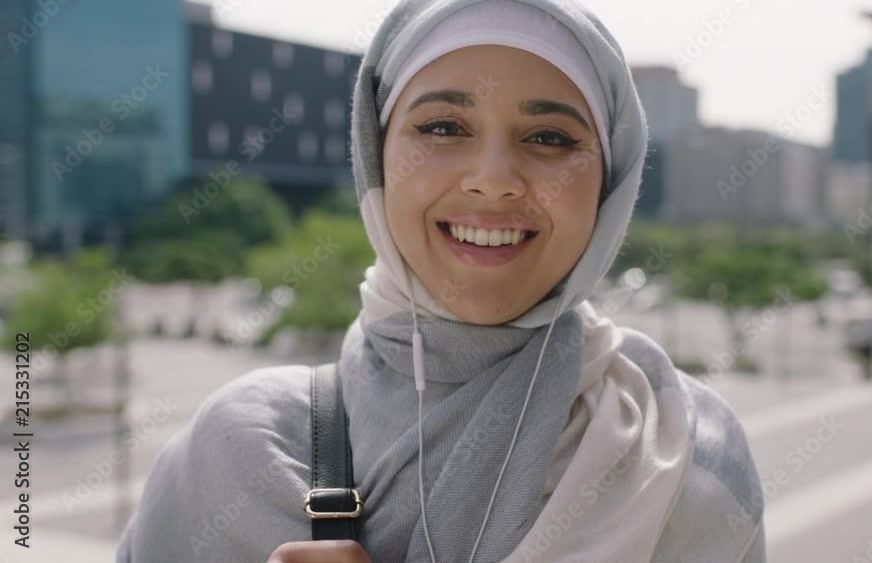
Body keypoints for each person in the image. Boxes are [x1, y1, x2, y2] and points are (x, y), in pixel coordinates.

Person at [115, 0, 767, 561]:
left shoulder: (687, 453)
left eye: (548, 136)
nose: (494, 176)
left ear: (610, 182)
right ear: (376, 155)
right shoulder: (237, 452)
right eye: (443, 127)